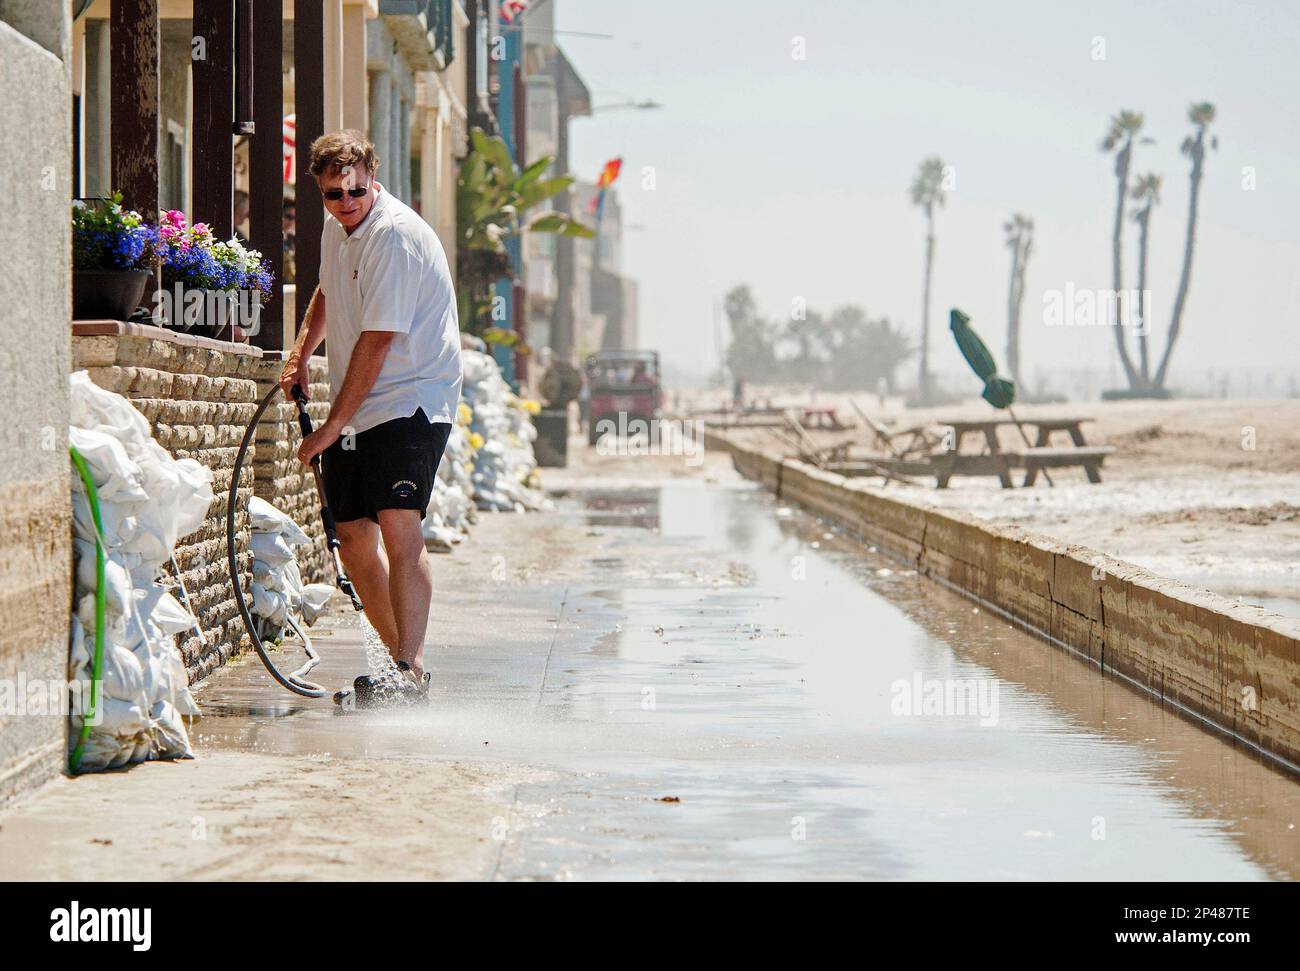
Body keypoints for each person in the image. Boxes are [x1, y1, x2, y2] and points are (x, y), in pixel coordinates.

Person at [278, 129, 462, 698]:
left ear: (371, 178)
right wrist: (300, 353)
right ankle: (405, 669)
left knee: (398, 527)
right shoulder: (339, 230)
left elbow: (379, 339)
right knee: (353, 536)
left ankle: (407, 667)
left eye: (355, 190)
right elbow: (328, 293)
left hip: (413, 398)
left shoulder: (396, 238)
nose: (346, 202)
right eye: (334, 194)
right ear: (321, 192)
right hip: (362, 403)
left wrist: (331, 427)